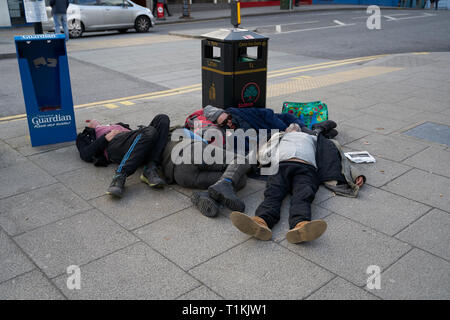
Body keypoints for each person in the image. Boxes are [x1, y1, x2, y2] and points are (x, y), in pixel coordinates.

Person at [230, 123, 365, 244]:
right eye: (291, 127)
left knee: (303, 195)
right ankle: (261, 222)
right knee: (273, 193)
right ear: (287, 130)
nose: (294, 127)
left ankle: (300, 225)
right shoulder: (279, 136)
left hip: (306, 168)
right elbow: (259, 151)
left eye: (296, 127)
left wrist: (354, 174)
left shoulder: (313, 138)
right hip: (280, 167)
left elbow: (334, 159)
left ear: (303, 130)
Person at [161, 128, 251, 217]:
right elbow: (202, 140)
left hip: (179, 175)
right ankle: (223, 185)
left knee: (240, 178)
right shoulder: (173, 131)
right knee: (240, 160)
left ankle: (206, 195)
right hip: (190, 151)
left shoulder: (152, 153)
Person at [76, 114, 170, 198]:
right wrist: (105, 138)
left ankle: (150, 168)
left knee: (162, 118)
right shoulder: (86, 135)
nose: (94, 121)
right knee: (150, 131)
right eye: (91, 122)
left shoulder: (117, 125)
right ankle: (120, 175)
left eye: (94, 120)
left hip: (137, 141)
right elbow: (85, 154)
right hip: (114, 145)